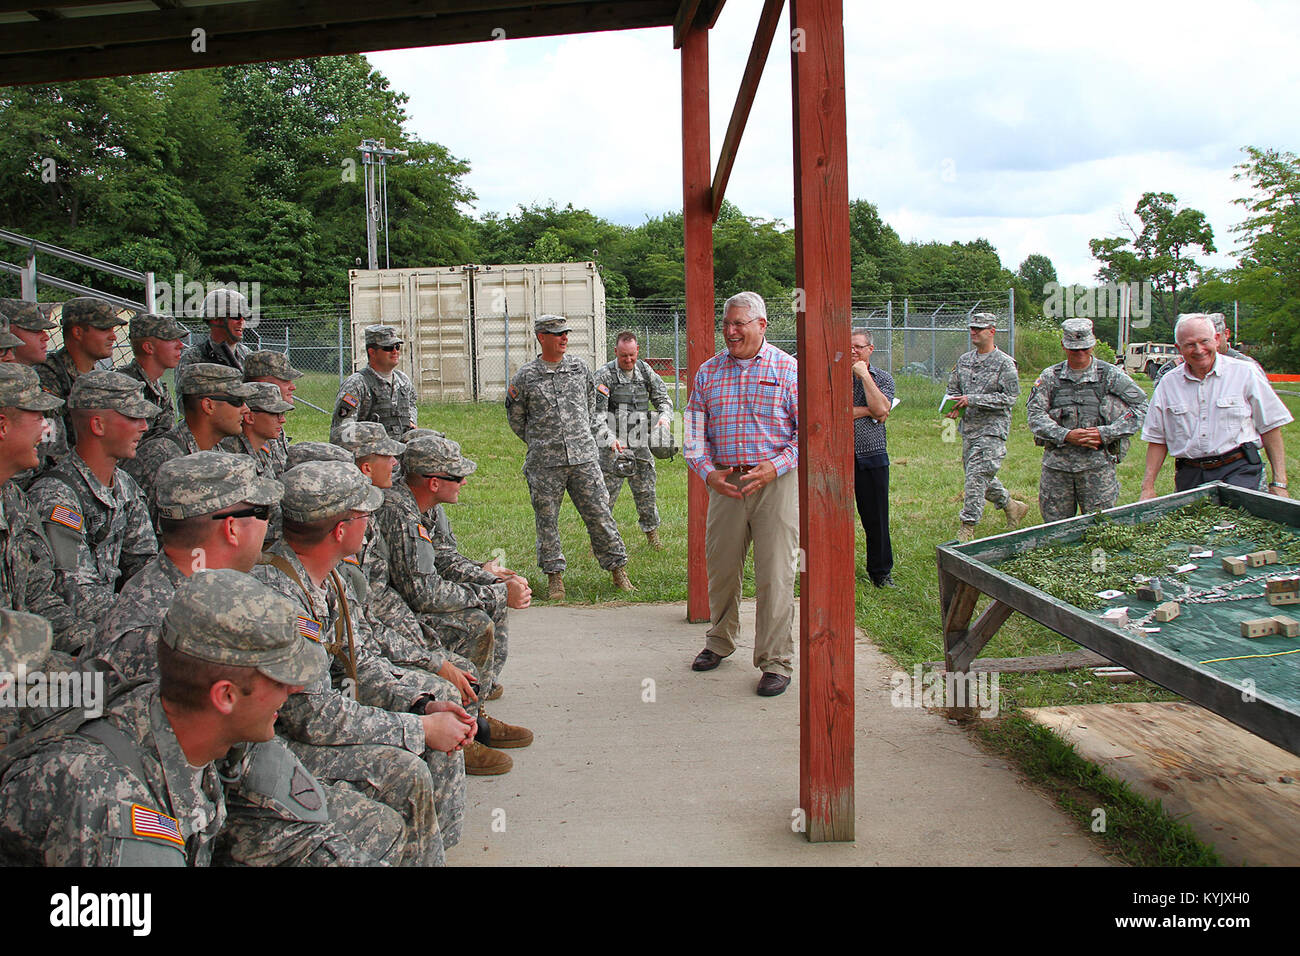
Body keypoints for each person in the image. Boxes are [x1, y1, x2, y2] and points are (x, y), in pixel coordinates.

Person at [83, 453, 406, 866]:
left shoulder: (206, 593)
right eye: (261, 512)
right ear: (232, 527)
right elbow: (170, 775)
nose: (272, 525)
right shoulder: (155, 630)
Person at [0, 571, 323, 866]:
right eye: (279, 679)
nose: (295, 689)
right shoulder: (115, 806)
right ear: (225, 696)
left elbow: (302, 839)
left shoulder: (177, 721)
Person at [254, 461, 476, 864]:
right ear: (341, 530)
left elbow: (364, 664)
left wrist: (421, 704)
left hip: (320, 718)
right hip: (277, 743)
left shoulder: (329, 577)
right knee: (408, 770)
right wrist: (418, 729)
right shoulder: (281, 598)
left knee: (432, 737)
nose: (370, 523)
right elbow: (313, 718)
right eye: (364, 514)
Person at [375, 435, 534, 769]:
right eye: (457, 476)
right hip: (389, 614)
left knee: (489, 603)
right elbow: (423, 593)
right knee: (475, 624)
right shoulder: (400, 513)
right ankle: (464, 736)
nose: (463, 482)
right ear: (434, 483)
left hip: (404, 602)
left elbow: (444, 558)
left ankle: (477, 716)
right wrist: (496, 593)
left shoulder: (422, 506)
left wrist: (491, 579)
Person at [685, 291, 799, 697]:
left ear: (762, 325)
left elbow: (809, 435)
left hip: (774, 484)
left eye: (739, 324)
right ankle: (719, 640)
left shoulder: (789, 370)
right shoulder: (708, 372)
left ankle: (775, 661)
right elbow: (694, 432)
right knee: (721, 568)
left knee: (775, 574)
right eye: (726, 324)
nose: (730, 332)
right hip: (727, 484)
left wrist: (777, 466)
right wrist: (708, 472)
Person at [27, 370, 159, 648]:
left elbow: (146, 566)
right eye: (133, 417)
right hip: (75, 640)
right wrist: (152, 618)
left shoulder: (125, 485)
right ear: (97, 425)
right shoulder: (57, 496)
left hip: (119, 622)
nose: (144, 426)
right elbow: (77, 596)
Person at [506, 314, 632, 599]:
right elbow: (516, 418)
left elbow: (591, 406)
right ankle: (554, 577)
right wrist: (540, 441)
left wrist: (579, 436)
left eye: (565, 333)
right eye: (557, 334)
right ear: (541, 337)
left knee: (600, 514)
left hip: (584, 458)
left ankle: (618, 570)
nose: (564, 338)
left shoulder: (579, 368)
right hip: (544, 462)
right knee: (547, 521)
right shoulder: (526, 376)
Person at [1140, 313, 1291, 498]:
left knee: (1236, 524)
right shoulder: (1168, 384)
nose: (1199, 350)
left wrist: (1279, 483)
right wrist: (1148, 488)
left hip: (1240, 470)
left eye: (1204, 341)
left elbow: (1271, 427)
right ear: (1179, 348)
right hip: (1191, 475)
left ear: (1217, 339)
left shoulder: (1245, 373)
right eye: (1190, 344)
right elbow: (1157, 438)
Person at [1026, 319, 1148, 522]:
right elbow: (1035, 415)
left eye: (1085, 348)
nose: (1080, 353)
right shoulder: (1050, 377)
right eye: (1074, 350)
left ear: (1093, 344)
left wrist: (1106, 433)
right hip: (1057, 469)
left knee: (1099, 527)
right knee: (1055, 531)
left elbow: (1141, 406)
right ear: (1064, 346)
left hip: (1098, 467)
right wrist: (1066, 435)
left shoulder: (1111, 375)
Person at [127, 363, 256, 517]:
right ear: (208, 405)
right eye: (237, 401)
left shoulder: (218, 453)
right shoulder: (159, 458)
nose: (246, 409)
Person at [945, 313, 1029, 541]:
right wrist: (953, 407)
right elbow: (953, 390)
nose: (974, 332)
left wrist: (973, 399)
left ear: (992, 331)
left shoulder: (1004, 363)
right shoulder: (964, 360)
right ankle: (1012, 506)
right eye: (972, 328)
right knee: (979, 476)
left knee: (976, 476)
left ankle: (967, 525)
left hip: (992, 430)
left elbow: (1010, 398)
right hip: (969, 429)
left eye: (979, 329)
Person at [593, 331, 673, 549]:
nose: (628, 360)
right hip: (613, 445)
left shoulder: (645, 371)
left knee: (646, 492)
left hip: (640, 440)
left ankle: (652, 537)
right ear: (615, 352)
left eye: (632, 356)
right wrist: (609, 438)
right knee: (605, 497)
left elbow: (663, 399)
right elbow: (596, 415)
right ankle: (599, 543)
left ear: (637, 351)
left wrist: (664, 418)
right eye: (623, 356)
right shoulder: (604, 376)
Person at [35, 296, 127, 451]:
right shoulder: (48, 377)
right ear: (77, 332)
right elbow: (50, 450)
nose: (113, 336)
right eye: (104, 329)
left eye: (113, 329)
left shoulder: (97, 377)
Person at [850, 328, 896, 587]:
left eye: (858, 346)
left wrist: (864, 376)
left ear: (870, 349)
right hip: (838, 457)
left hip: (872, 455)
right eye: (849, 346)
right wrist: (869, 410)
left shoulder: (884, 378)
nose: (853, 351)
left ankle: (880, 572)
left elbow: (881, 409)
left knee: (876, 517)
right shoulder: (833, 377)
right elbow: (834, 412)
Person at [332, 325, 418, 440]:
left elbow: (412, 404)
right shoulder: (357, 384)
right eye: (388, 348)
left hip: (403, 450)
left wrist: (411, 421)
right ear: (372, 352)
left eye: (397, 346)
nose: (395, 351)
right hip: (372, 453)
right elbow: (343, 433)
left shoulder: (403, 380)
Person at [119, 312, 190, 446]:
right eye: (171, 339)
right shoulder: (125, 388)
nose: (180, 345)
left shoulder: (159, 387)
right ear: (148, 347)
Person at [244, 349, 303, 472]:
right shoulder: (254, 421)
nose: (293, 387)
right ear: (263, 383)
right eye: (285, 381)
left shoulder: (268, 420)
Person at [219, 381, 293, 478]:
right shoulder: (231, 457)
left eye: (283, 413)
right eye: (274, 414)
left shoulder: (263, 448)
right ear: (249, 417)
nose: (283, 420)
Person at [176, 288, 253, 375]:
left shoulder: (248, 356)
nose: (242, 321)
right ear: (215, 319)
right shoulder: (193, 358)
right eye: (236, 316)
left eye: (245, 316)